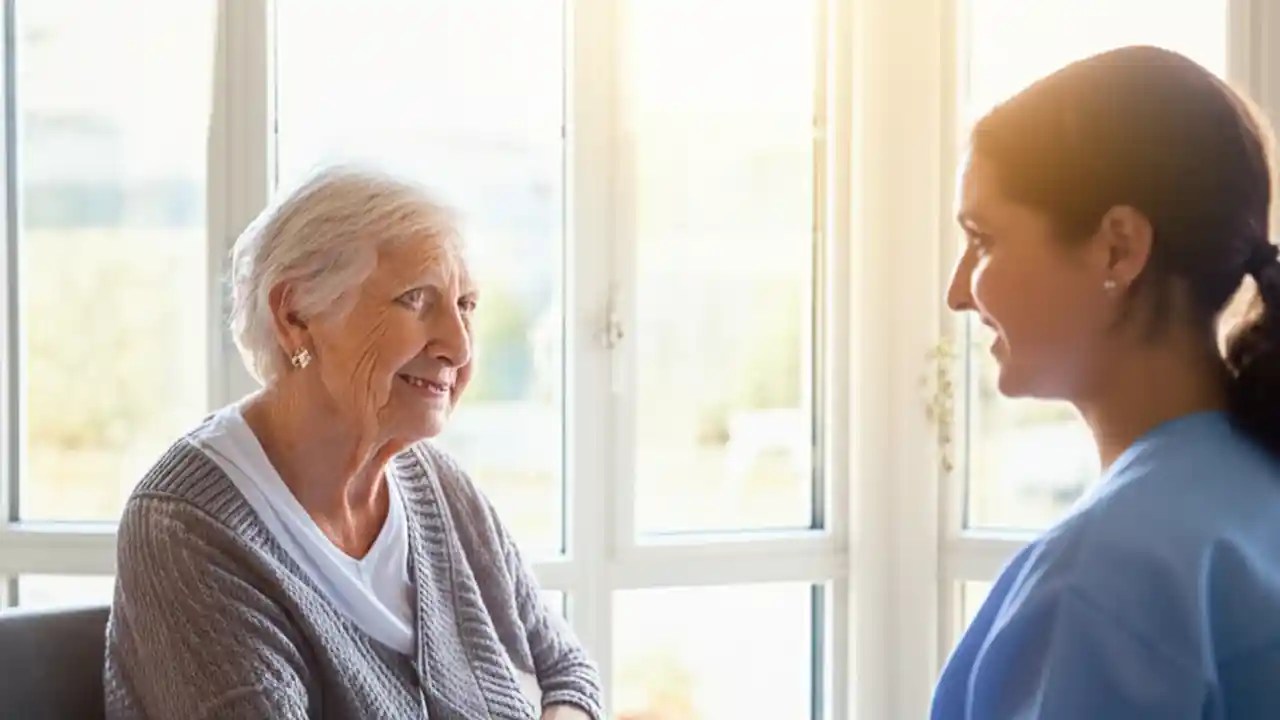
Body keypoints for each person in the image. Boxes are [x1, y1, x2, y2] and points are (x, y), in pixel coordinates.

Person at [103, 167, 602, 720]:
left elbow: (567, 672)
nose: (458, 348)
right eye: (416, 299)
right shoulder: (188, 528)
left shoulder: (435, 484)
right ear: (296, 316)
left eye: (466, 306)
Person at [934, 46, 1280, 718]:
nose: (956, 293)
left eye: (983, 240)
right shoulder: (1254, 494)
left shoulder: (1108, 575)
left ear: (1118, 246)